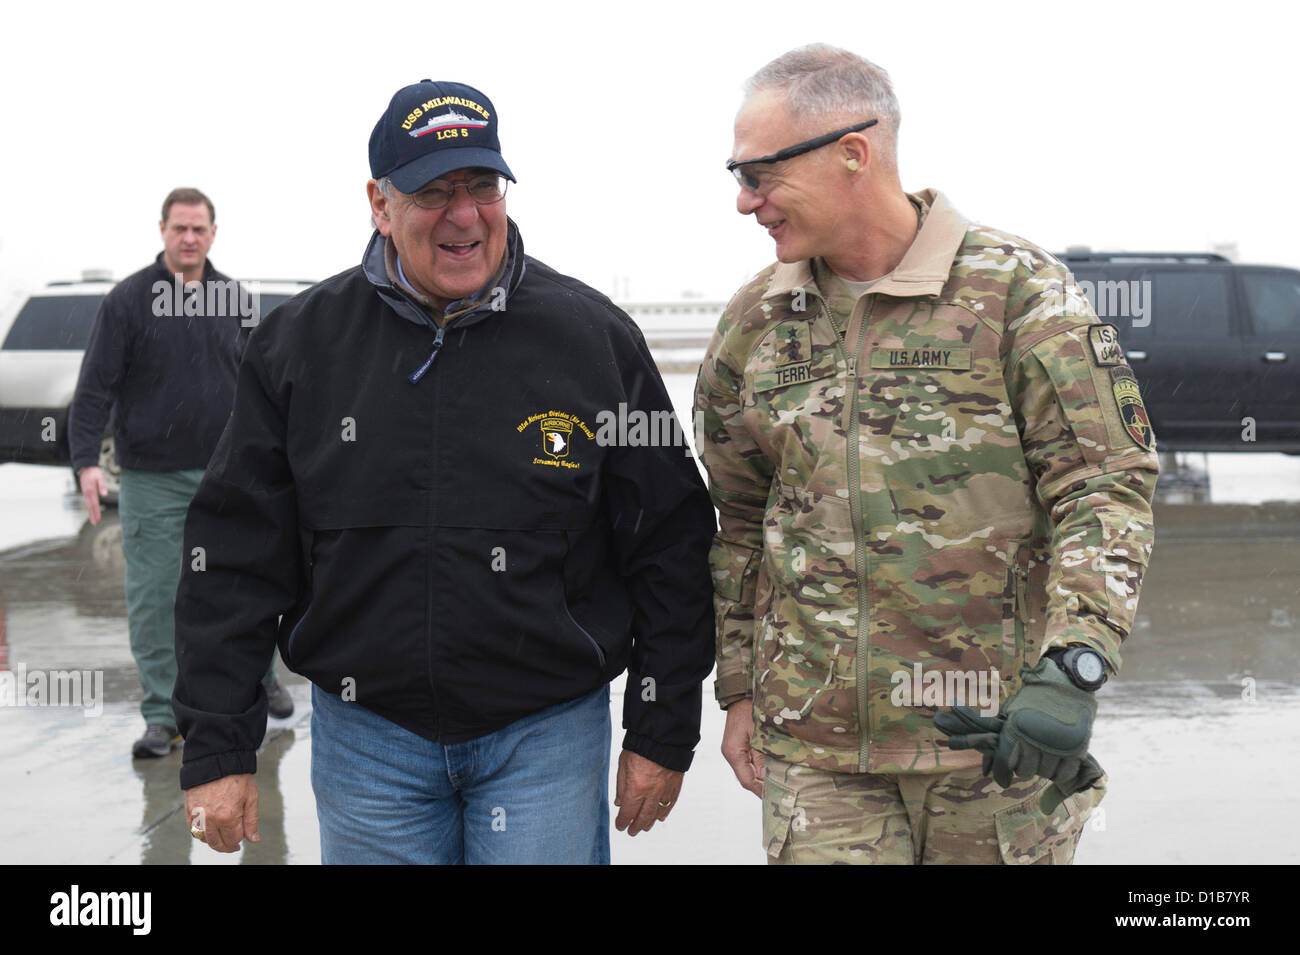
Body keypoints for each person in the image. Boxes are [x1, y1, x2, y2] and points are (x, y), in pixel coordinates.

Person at [173, 80, 716, 864]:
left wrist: (661, 726)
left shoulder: (592, 339)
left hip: (546, 736)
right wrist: (219, 745)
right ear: (379, 203)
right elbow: (233, 554)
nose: (465, 215)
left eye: (483, 186)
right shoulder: (300, 345)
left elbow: (670, 542)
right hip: (368, 740)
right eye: (433, 192)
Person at [695, 45, 1159, 864]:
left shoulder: (1015, 292)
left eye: (761, 174)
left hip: (996, 743)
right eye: (738, 176)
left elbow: (1104, 487)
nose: (744, 201)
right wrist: (738, 686)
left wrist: (1073, 666)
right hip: (818, 754)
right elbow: (738, 519)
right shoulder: (757, 323)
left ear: (852, 153)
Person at [68, 188, 293, 760]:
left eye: (198, 228)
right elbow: (94, 386)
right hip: (153, 478)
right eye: (179, 228)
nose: (189, 238)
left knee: (248, 583)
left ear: (213, 233)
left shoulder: (236, 300)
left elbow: (267, 387)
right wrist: (86, 461)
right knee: (155, 598)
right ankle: (162, 717)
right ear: (162, 230)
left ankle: (261, 677)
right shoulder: (127, 301)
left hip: (231, 474)